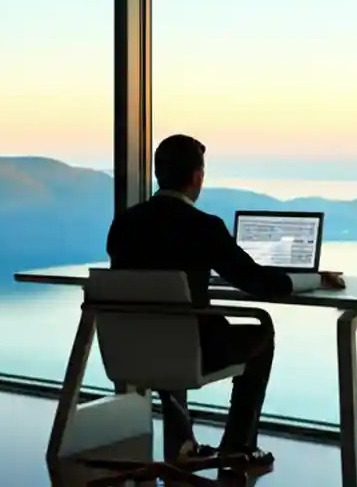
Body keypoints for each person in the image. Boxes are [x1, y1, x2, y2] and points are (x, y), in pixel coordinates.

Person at [105, 134, 344, 468]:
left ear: (159, 174)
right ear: (197, 177)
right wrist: (316, 278)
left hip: (130, 351)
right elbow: (260, 284)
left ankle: (183, 445)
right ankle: (237, 446)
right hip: (189, 351)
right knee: (262, 331)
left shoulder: (123, 224)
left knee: (165, 328)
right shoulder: (203, 227)